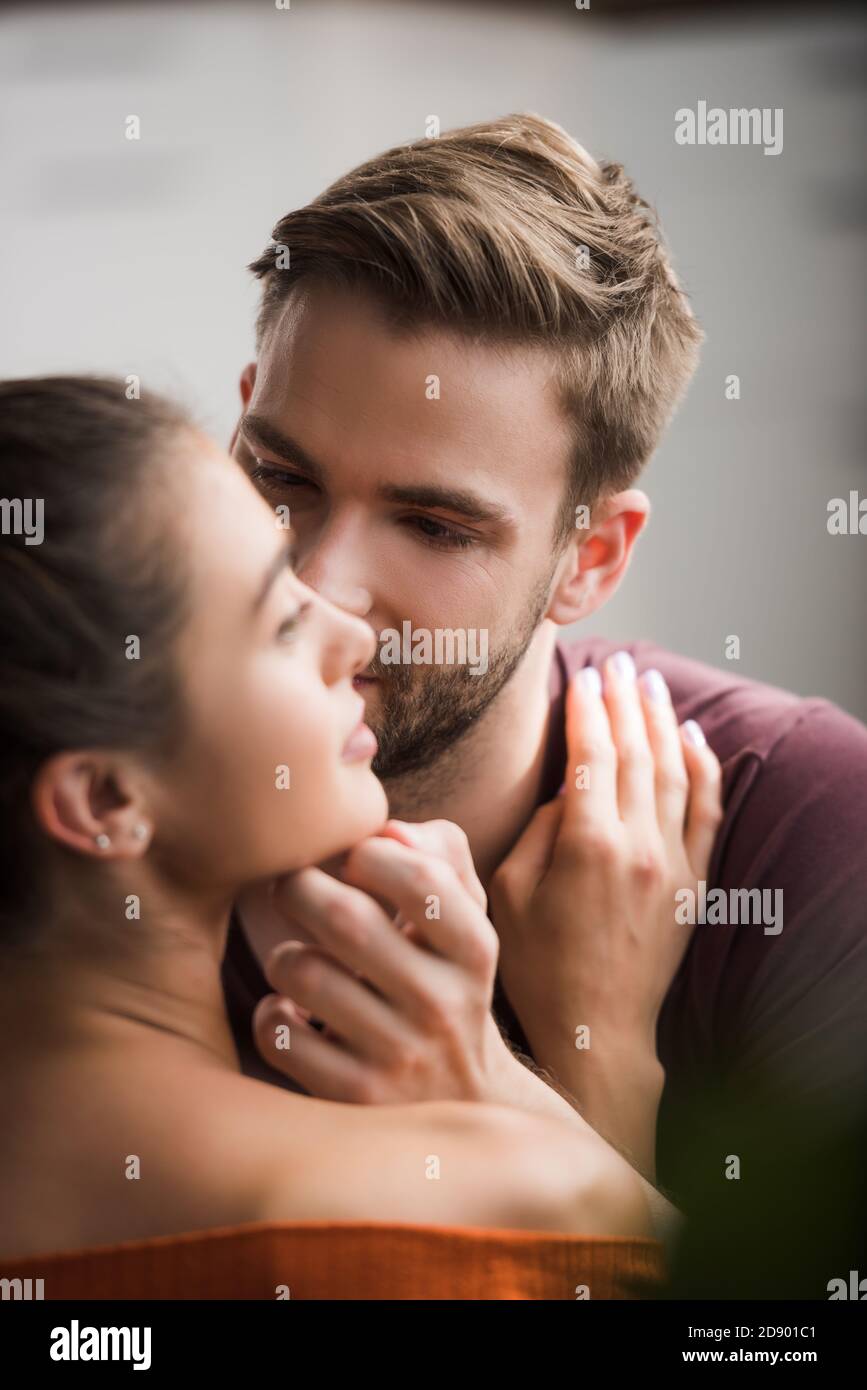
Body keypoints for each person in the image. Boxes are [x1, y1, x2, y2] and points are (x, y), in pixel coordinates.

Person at [223, 113, 867, 1201]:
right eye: (282, 478)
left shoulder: (804, 827)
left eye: (432, 526)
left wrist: (579, 1083)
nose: (317, 587)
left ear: (592, 558)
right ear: (243, 423)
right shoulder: (93, 786)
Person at [0, 375, 720, 1269]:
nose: (345, 628)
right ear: (105, 800)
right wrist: (586, 1088)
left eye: (432, 525)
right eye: (278, 620)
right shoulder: (501, 1204)